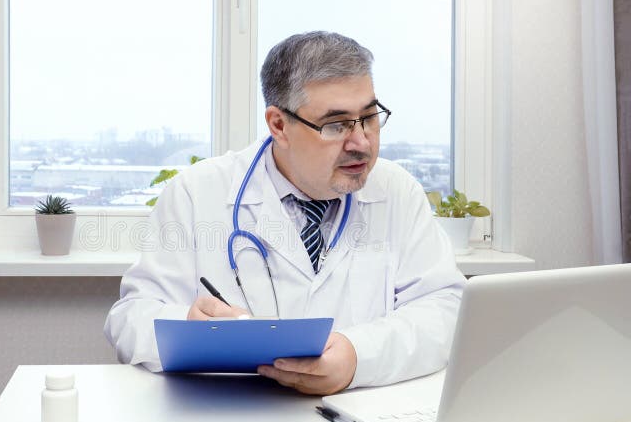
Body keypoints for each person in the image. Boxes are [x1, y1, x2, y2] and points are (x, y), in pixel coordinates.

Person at [104, 31, 464, 396]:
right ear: (279, 125)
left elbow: (446, 310)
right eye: (336, 125)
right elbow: (130, 318)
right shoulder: (197, 192)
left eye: (369, 117)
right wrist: (189, 326)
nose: (362, 143)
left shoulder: (397, 191)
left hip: (361, 415)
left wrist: (357, 356)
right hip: (234, 416)